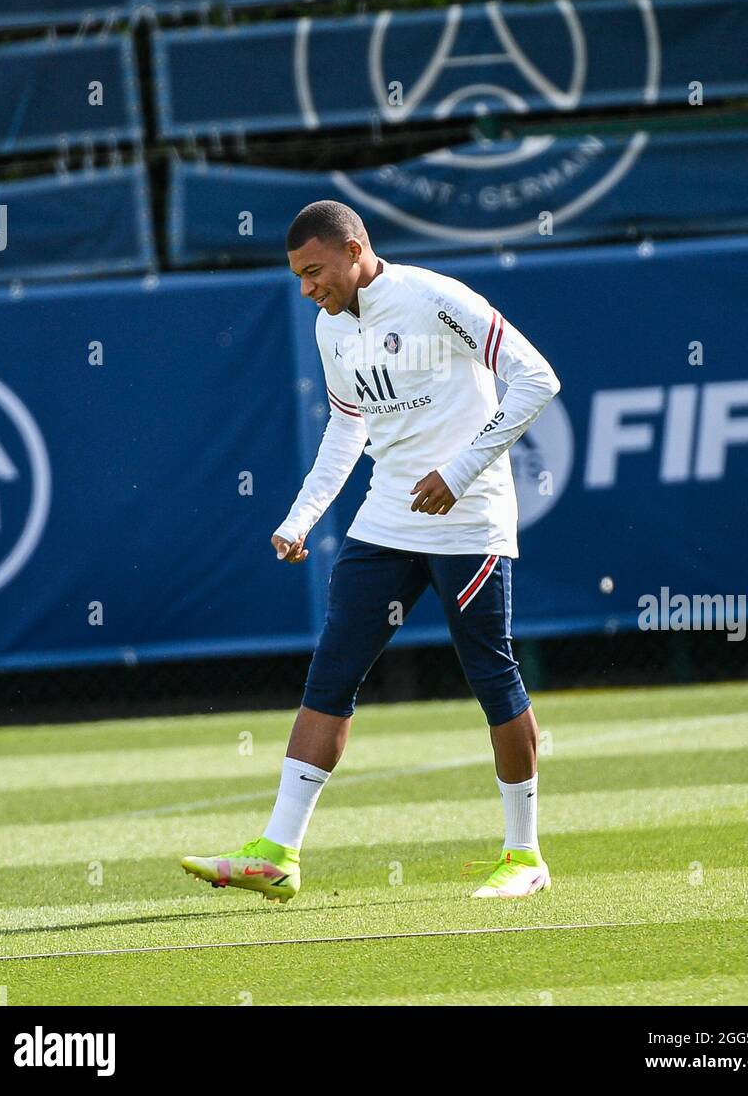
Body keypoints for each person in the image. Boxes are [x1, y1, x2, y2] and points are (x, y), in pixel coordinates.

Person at [182, 200, 561, 901]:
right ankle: (278, 853)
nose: (307, 289)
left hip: (469, 516)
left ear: (355, 250)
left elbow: (538, 379)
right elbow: (346, 426)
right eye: (298, 276)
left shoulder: (435, 298)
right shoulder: (332, 328)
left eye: (315, 271)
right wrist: (301, 518)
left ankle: (525, 856)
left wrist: (459, 471)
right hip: (387, 517)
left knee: (490, 674)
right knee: (332, 671)